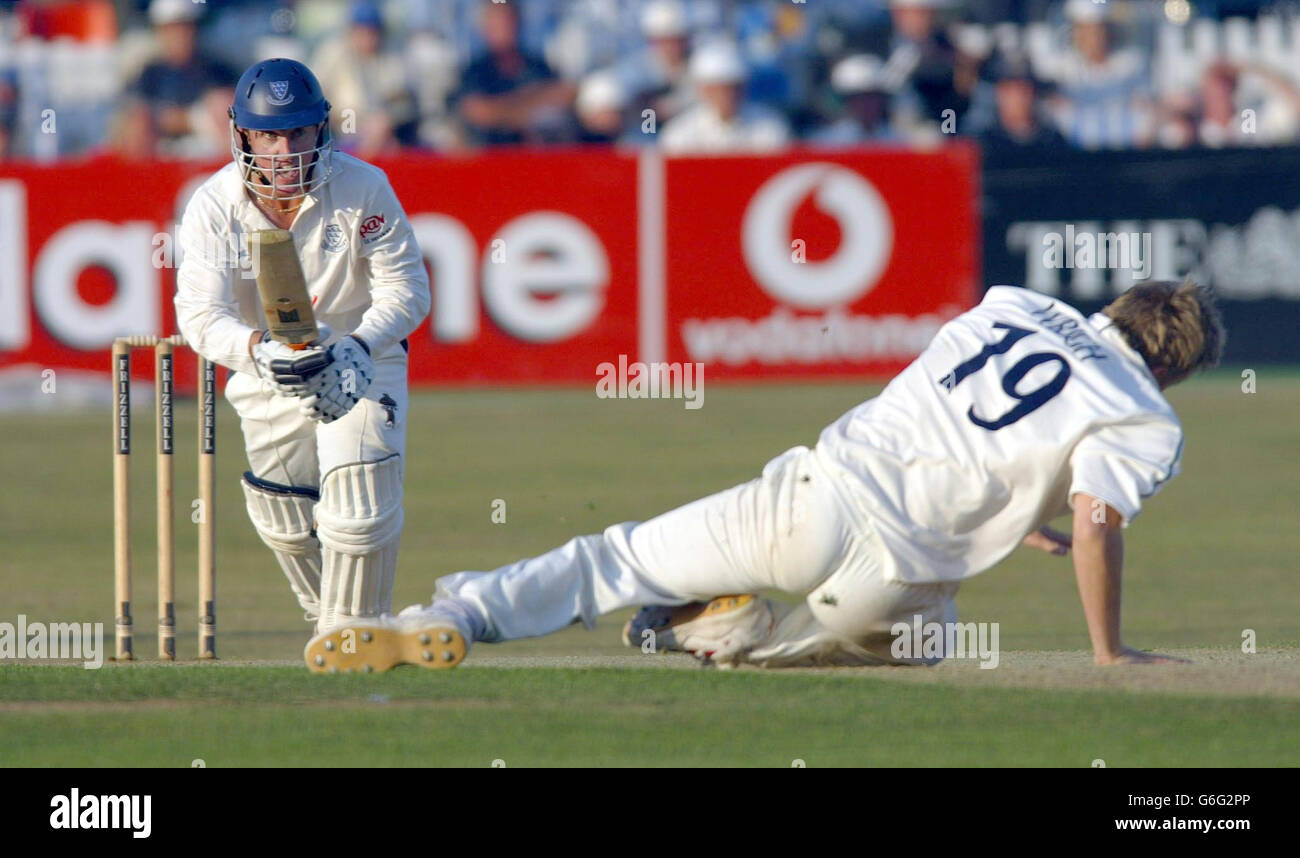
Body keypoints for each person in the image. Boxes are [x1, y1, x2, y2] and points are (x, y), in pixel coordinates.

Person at [305, 281, 1224, 673]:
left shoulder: (1012, 303)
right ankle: (725, 639)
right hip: (897, 579)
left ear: (1117, 308)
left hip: (818, 499)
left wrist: (1018, 497)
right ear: (1173, 367)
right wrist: (1110, 654)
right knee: (926, 648)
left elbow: (978, 408)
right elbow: (1099, 516)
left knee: (614, 559)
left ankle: (449, 615)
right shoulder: (1146, 416)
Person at [173, 58, 430, 637]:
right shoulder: (213, 205)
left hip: (362, 358)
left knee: (358, 510)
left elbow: (408, 290)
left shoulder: (363, 187)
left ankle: (351, 638)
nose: (283, 149)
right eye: (268, 134)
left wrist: (360, 346)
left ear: (321, 130)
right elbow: (198, 315)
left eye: (296, 131)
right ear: (241, 134)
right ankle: (349, 626)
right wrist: (260, 349)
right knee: (284, 520)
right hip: (267, 369)